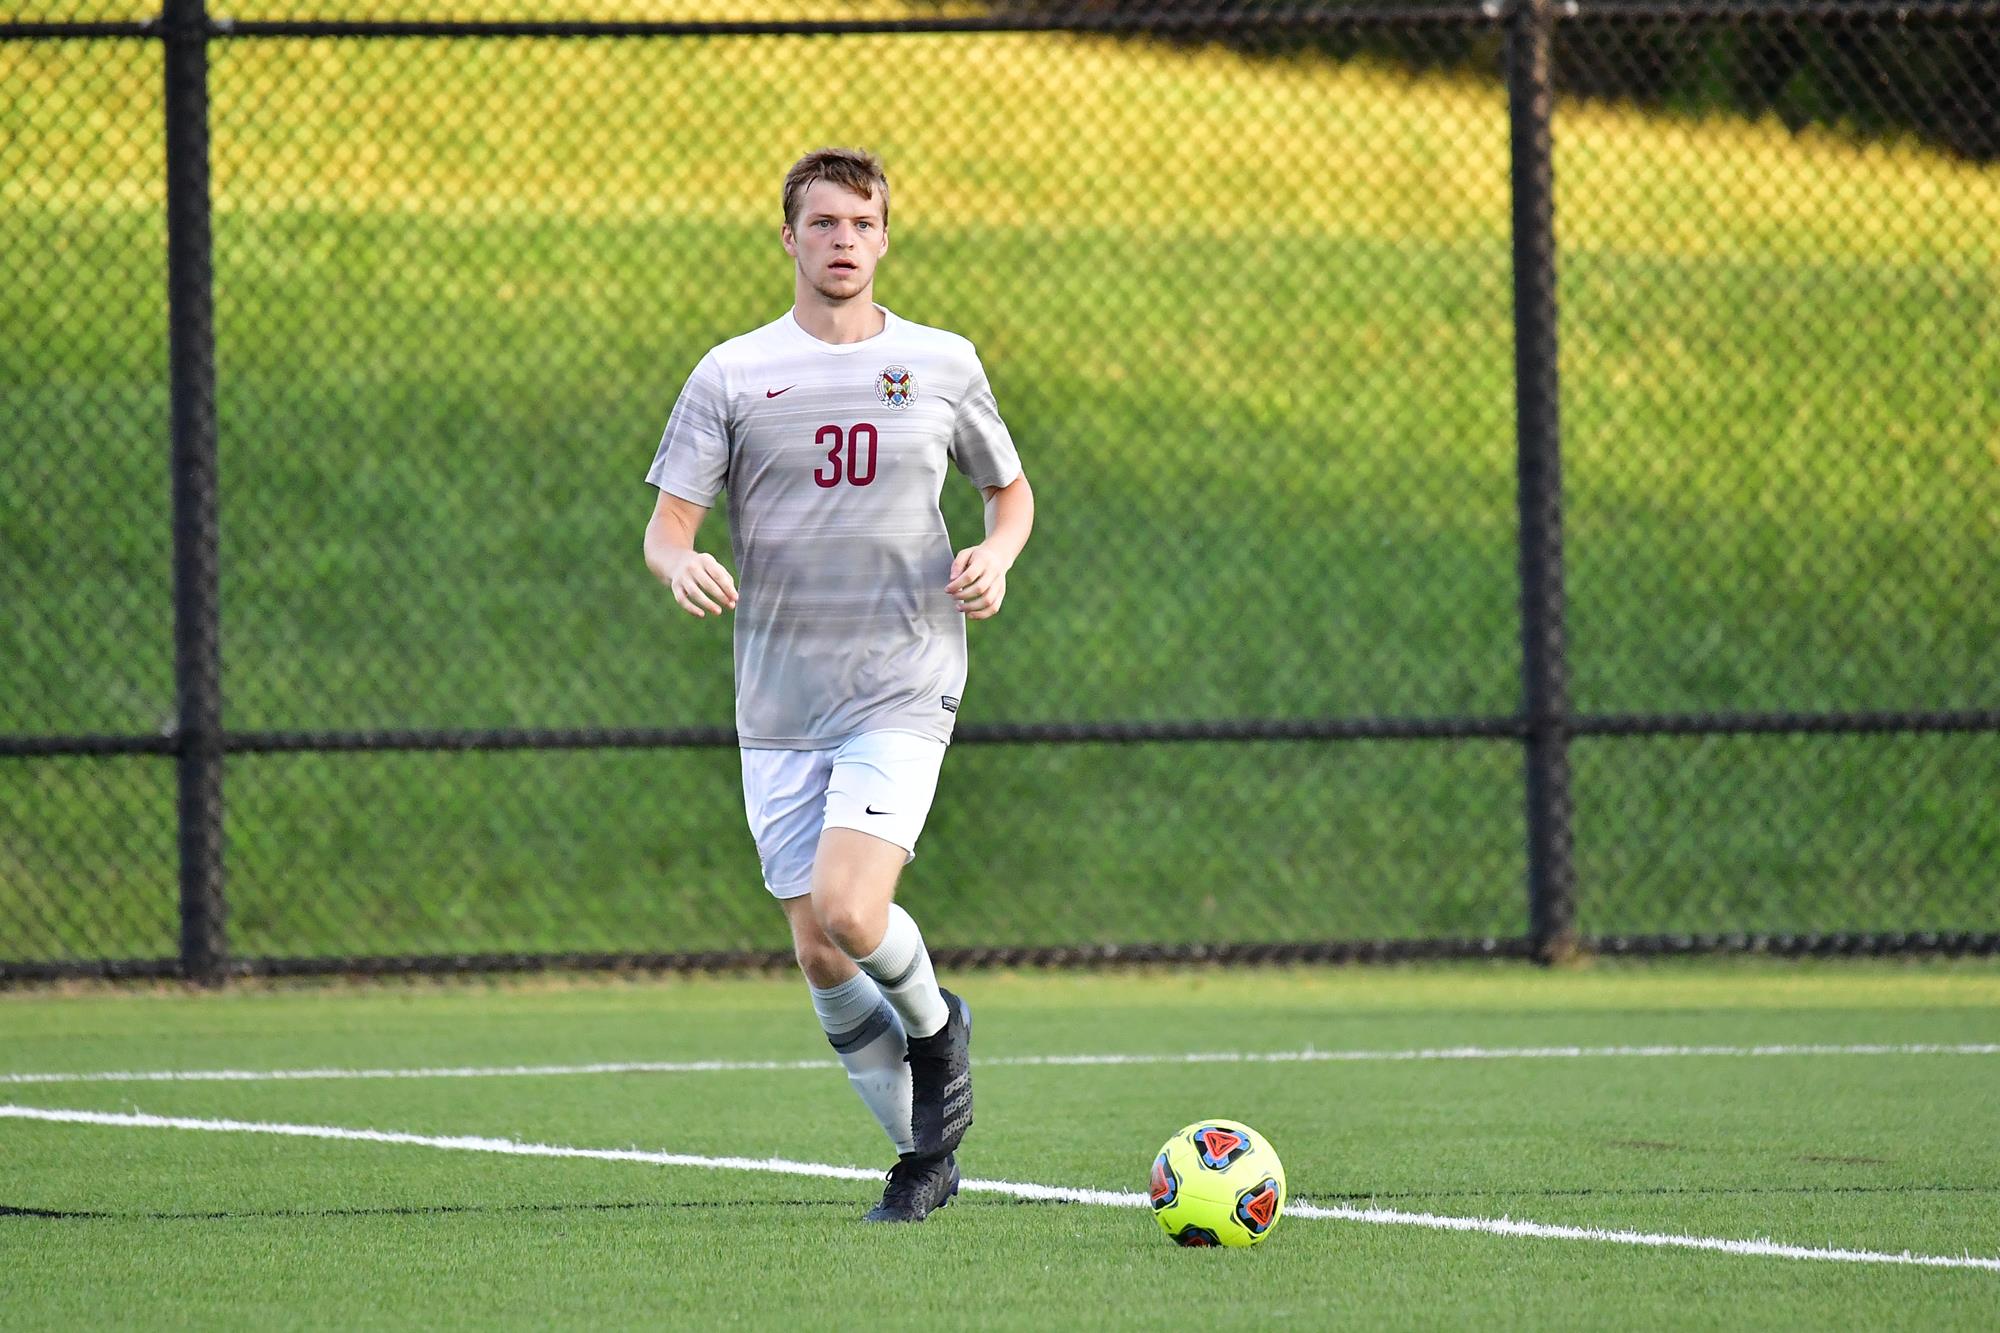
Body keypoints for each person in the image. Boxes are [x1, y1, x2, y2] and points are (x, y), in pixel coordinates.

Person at [642, 147, 1034, 1223]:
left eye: (862, 223)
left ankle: (936, 1032)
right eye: (822, 224)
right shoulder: (731, 373)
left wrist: (994, 558)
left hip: (901, 679)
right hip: (776, 701)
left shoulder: (940, 362)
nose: (843, 241)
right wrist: (682, 565)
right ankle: (925, 1155)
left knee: (854, 910)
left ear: (885, 237)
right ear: (788, 239)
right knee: (815, 944)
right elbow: (666, 527)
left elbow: (1008, 494)